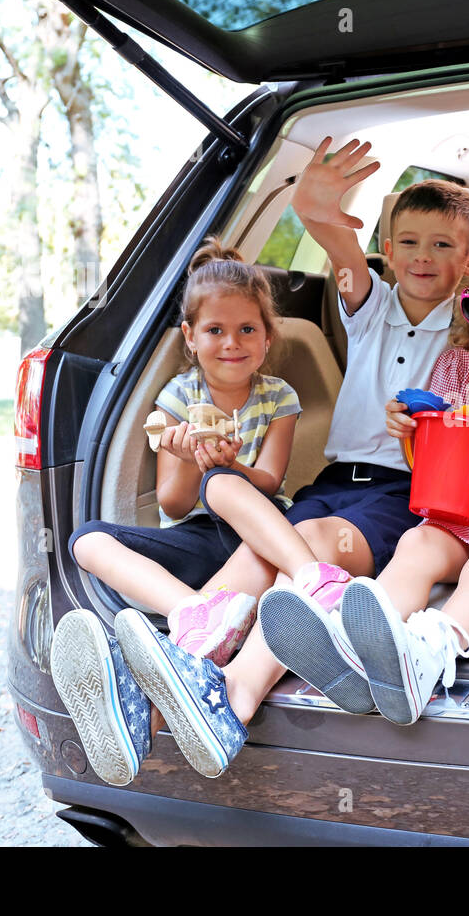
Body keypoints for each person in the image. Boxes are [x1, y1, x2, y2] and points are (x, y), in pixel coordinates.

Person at [52, 137, 469, 783]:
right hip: (333, 480)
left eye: (444, 245)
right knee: (263, 548)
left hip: (406, 494)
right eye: (411, 242)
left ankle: (219, 697)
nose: (425, 257)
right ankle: (167, 694)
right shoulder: (371, 311)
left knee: (302, 543)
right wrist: (313, 203)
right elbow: (333, 238)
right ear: (388, 251)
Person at [260, 228, 469, 725]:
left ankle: (432, 649)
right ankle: (354, 644)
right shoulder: (455, 365)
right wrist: (410, 430)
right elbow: (431, 463)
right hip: (459, 514)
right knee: (416, 545)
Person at [67, 237, 308, 667]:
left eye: (247, 330)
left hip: (255, 531)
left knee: (231, 494)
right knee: (87, 540)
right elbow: (174, 505)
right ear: (191, 337)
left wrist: (230, 467)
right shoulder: (177, 399)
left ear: (268, 337)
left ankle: (204, 635)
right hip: (195, 536)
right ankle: (194, 611)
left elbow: (270, 481)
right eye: (215, 330)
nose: (232, 343)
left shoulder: (279, 398)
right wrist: (183, 459)